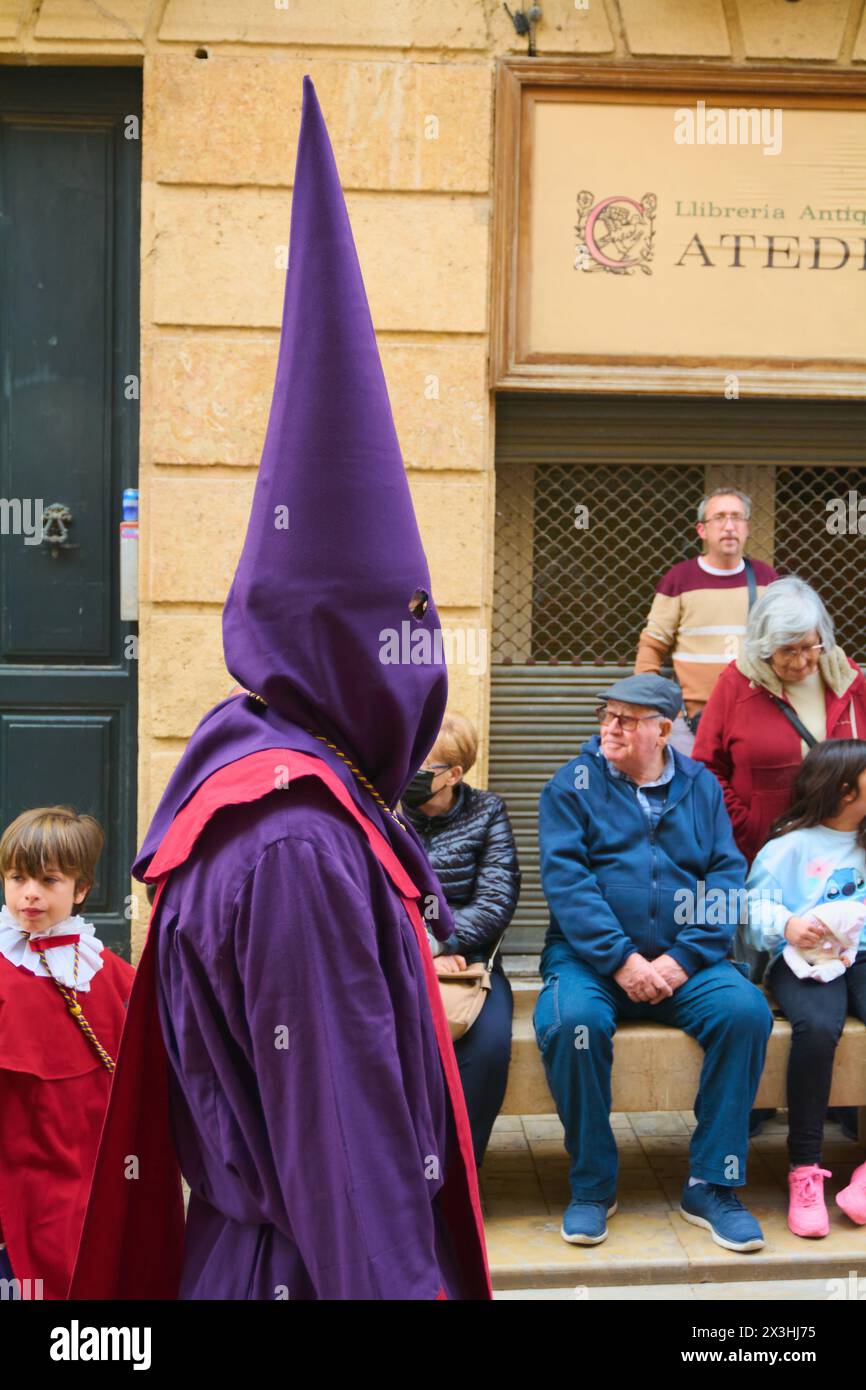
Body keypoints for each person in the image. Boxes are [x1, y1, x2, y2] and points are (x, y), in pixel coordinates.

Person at [70, 78, 490, 1301]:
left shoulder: (264, 783)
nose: (420, 662)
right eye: (402, 629)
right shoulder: (299, 842)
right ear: (341, 646)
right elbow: (350, 1185)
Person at [535, 674, 773, 1252]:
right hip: (592, 961)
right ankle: (593, 1186)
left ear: (664, 730)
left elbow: (724, 875)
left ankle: (712, 1184)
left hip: (685, 961)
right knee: (573, 1025)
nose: (609, 727)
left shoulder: (701, 786)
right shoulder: (573, 784)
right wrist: (622, 961)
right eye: (606, 714)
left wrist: (681, 960)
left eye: (626, 718)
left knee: (745, 1013)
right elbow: (568, 883)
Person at [0, 806, 133, 1299]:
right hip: (19, 1186)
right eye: (17, 877)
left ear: (81, 890)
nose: (29, 892)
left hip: (93, 1182)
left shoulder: (113, 975)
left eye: (48, 879)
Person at [746, 740, 866, 1236]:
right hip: (803, 960)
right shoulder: (787, 847)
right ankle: (805, 1169)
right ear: (844, 790)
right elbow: (751, 912)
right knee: (817, 1028)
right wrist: (788, 924)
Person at [402, 712, 520, 1167]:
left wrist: (441, 945)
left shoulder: (488, 812)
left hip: (470, 967)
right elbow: (369, 895)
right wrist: (420, 952)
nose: (407, 771)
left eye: (422, 766)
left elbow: (495, 901)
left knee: (487, 1051)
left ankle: (456, 1176)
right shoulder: (382, 809)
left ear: (453, 774)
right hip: (395, 956)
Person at [694, 576, 866, 867]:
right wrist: (745, 825)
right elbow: (705, 767)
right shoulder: (736, 684)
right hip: (763, 851)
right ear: (764, 645)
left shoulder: (847, 679)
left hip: (846, 852)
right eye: (787, 650)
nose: (800, 662)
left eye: (809, 647)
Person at [635, 488, 778, 753]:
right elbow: (652, 647)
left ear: (747, 527)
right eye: (720, 518)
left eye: (737, 517)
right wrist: (657, 707)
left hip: (755, 714)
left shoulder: (766, 578)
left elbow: (784, 643)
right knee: (694, 792)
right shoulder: (679, 579)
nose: (729, 526)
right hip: (692, 721)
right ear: (702, 530)